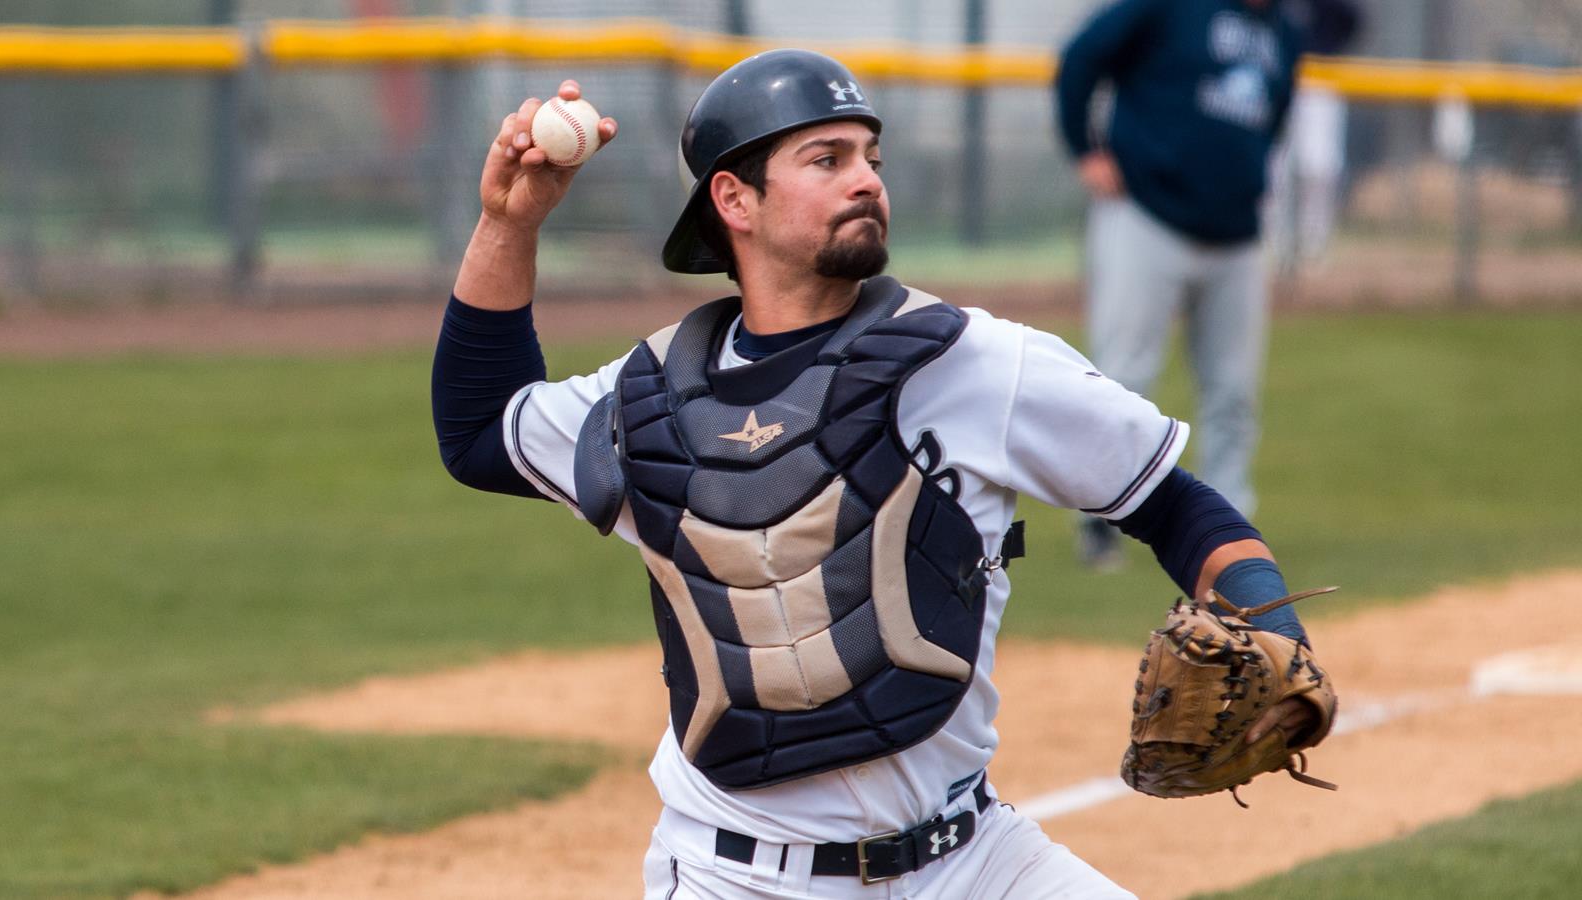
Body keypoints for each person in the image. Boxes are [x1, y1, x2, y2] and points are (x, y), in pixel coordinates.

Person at [434, 50, 1326, 898]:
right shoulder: (649, 400)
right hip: (730, 875)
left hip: (973, 864)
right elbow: (480, 432)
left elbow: (1172, 504)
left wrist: (1283, 635)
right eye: (826, 158)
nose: (866, 178)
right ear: (735, 200)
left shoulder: (977, 362)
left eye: (871, 156)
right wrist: (508, 222)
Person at [1055, 0, 1306, 569]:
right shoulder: (1168, 6)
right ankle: (1100, 518)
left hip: (1237, 237)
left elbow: (1276, 114)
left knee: (1234, 392)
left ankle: (1232, 533)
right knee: (1123, 377)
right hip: (1145, 216)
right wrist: (1084, 148)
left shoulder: (1283, 33)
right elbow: (1080, 58)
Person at [1271, 0, 1364, 272]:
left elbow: (1352, 20)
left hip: (1321, 79)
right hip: (1278, 74)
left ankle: (1315, 241)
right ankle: (1276, 240)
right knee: (1275, 167)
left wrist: (1328, 49)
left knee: (1320, 166)